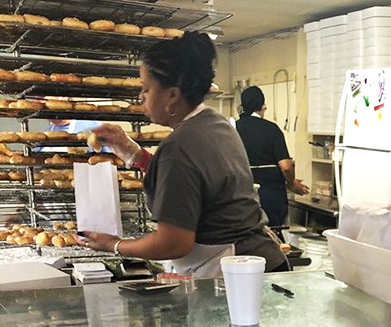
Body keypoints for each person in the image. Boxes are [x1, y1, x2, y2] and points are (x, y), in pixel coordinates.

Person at [80, 33, 286, 275]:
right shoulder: (215, 123)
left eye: (146, 89)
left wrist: (113, 244)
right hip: (262, 262)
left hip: (233, 272)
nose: (141, 97)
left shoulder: (179, 145)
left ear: (172, 95)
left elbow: (174, 243)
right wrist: (132, 151)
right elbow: (192, 181)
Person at [235, 85, 308, 231]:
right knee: (273, 235)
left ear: (242, 107)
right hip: (271, 195)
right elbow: (286, 166)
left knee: (246, 235)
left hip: (241, 195)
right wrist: (291, 183)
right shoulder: (271, 129)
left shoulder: (233, 129)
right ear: (262, 106)